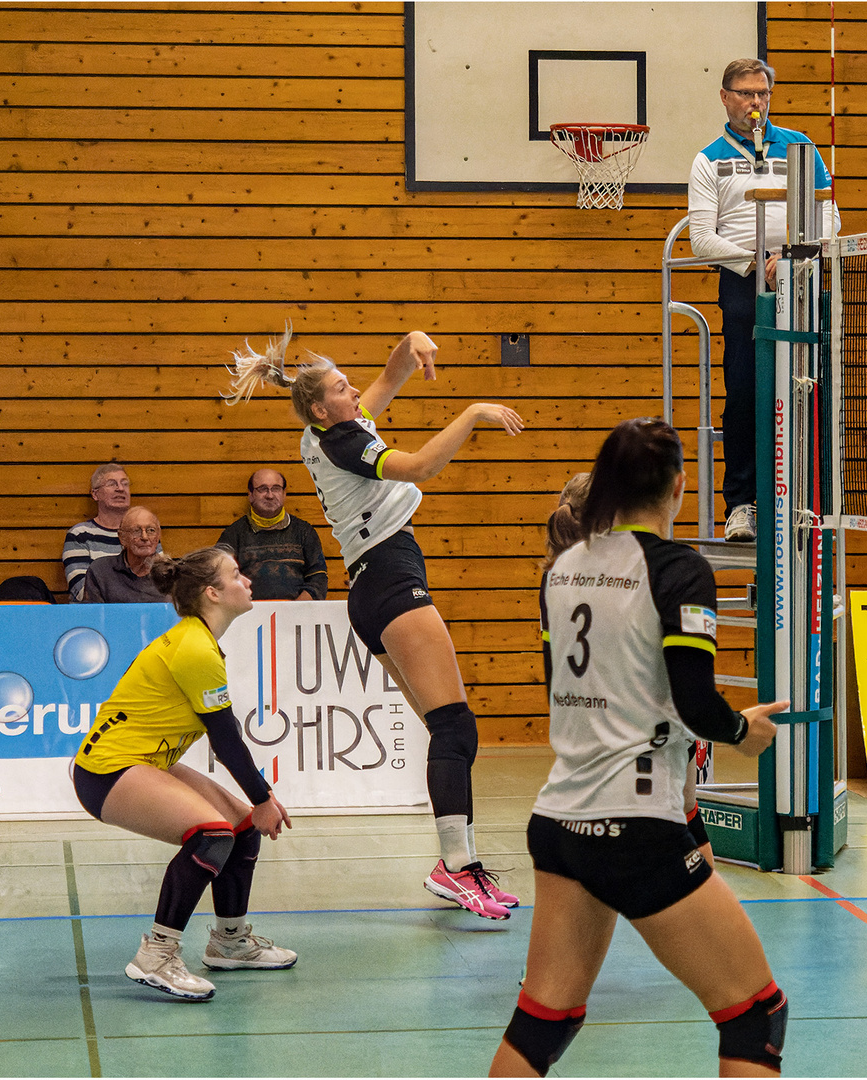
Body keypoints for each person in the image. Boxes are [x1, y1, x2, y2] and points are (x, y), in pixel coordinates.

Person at [489, 418, 789, 1077]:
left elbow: (558, 686)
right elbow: (694, 700)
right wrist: (744, 732)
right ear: (679, 485)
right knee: (753, 1014)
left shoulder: (562, 568)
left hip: (558, 816)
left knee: (547, 1018)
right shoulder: (677, 569)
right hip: (634, 825)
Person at [223, 327, 527, 915]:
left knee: (451, 733)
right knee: (456, 727)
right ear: (322, 407)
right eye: (342, 387)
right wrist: (471, 414)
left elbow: (390, 377)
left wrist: (411, 340)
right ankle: (457, 869)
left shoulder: (335, 423)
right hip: (390, 575)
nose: (355, 390)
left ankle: (456, 864)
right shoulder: (342, 443)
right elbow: (417, 467)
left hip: (371, 584)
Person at [71, 546, 295, 1001]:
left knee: (242, 828)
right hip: (106, 771)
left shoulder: (199, 639)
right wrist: (263, 797)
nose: (247, 581)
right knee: (212, 833)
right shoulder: (195, 647)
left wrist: (257, 805)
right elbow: (225, 738)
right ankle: (156, 954)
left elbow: (225, 731)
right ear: (212, 593)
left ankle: (229, 942)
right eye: (236, 575)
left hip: (145, 762)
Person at [688, 58, 840, 543]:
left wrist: (791, 258)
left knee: (811, 387)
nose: (756, 103)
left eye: (763, 94)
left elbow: (831, 217)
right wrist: (758, 263)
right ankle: (741, 505)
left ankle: (811, 498)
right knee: (746, 392)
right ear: (726, 96)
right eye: (747, 93)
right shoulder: (708, 158)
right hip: (743, 282)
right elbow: (700, 239)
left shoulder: (801, 147)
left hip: (801, 278)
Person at [543, 470, 715, 866]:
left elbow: (557, 679)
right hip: (647, 745)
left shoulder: (557, 579)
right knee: (683, 812)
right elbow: (684, 685)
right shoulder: (647, 574)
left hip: (578, 753)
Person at [217, 468, 329, 601]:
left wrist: (297, 608)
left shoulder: (304, 532)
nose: (270, 495)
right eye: (262, 489)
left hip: (297, 615)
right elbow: (220, 578)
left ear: (284, 493)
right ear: (251, 495)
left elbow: (318, 577)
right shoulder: (233, 534)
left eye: (276, 488)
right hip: (249, 614)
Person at [62, 463, 133, 600]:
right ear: (95, 494)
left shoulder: (145, 533)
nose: (120, 489)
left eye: (125, 484)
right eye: (112, 484)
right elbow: (83, 591)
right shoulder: (80, 535)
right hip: (92, 616)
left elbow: (159, 585)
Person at [82, 506, 169, 604]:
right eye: (136, 531)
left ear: (158, 536)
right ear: (122, 537)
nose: (144, 537)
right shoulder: (100, 571)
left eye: (151, 530)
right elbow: (93, 616)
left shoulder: (171, 574)